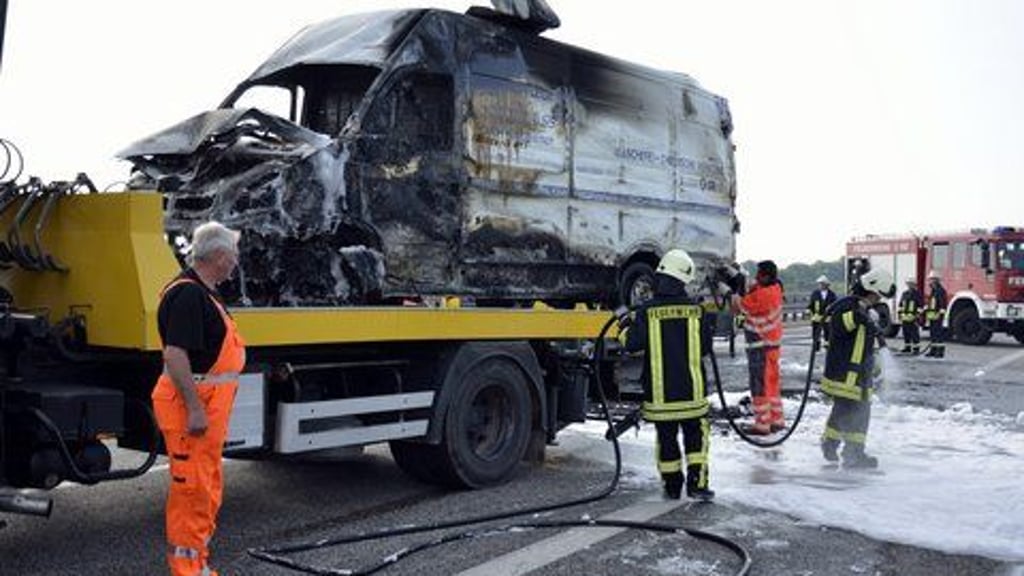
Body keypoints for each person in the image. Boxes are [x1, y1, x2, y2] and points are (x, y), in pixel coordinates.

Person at [152, 221, 245, 576]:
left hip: (207, 406)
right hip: (194, 407)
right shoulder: (189, 294)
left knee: (204, 487)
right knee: (192, 490)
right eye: (233, 255)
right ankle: (187, 570)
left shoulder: (203, 293)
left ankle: (197, 564)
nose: (235, 263)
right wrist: (193, 408)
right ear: (219, 256)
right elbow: (175, 355)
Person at [622, 249, 715, 501]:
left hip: (661, 397)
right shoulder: (697, 311)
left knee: (667, 440)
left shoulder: (646, 311)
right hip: (692, 394)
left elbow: (630, 344)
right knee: (696, 439)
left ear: (660, 275)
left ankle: (673, 486)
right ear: (684, 279)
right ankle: (698, 484)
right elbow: (706, 348)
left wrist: (623, 327)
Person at [819, 268, 895, 469]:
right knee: (843, 409)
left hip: (861, 375)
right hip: (845, 374)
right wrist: (860, 316)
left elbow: (866, 343)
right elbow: (839, 326)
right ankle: (829, 443)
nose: (878, 299)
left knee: (862, 412)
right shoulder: (846, 307)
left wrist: (876, 365)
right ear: (870, 289)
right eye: (877, 295)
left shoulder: (865, 309)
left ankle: (855, 453)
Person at [727, 260, 784, 435]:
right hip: (771, 346)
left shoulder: (763, 295)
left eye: (759, 274)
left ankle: (762, 425)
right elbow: (752, 288)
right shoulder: (774, 289)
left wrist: (728, 292)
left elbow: (740, 307)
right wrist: (738, 276)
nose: (757, 277)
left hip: (761, 347)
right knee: (771, 385)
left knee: (759, 386)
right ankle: (776, 420)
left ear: (766, 276)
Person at [807, 275, 837, 352]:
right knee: (816, 332)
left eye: (822, 284)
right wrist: (809, 310)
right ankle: (816, 346)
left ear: (826, 284)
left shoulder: (832, 294)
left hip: (827, 317)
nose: (820, 285)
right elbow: (811, 304)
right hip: (817, 317)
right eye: (820, 284)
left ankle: (827, 345)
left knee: (828, 332)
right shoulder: (815, 293)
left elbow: (835, 305)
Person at [923, 270, 948, 358]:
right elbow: (932, 303)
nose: (930, 281)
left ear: (936, 280)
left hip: (938, 316)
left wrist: (941, 314)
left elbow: (942, 304)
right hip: (932, 316)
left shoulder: (941, 291)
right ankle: (933, 350)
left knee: (938, 334)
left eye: (932, 279)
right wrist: (926, 309)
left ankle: (940, 352)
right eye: (930, 279)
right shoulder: (933, 291)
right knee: (933, 334)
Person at [898, 277, 923, 355]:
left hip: (913, 317)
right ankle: (907, 347)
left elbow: (920, 306)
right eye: (908, 284)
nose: (910, 285)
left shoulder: (917, 294)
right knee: (906, 333)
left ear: (914, 284)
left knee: (914, 333)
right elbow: (901, 305)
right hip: (905, 317)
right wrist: (900, 314)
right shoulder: (904, 294)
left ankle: (916, 349)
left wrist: (917, 315)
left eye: (911, 284)